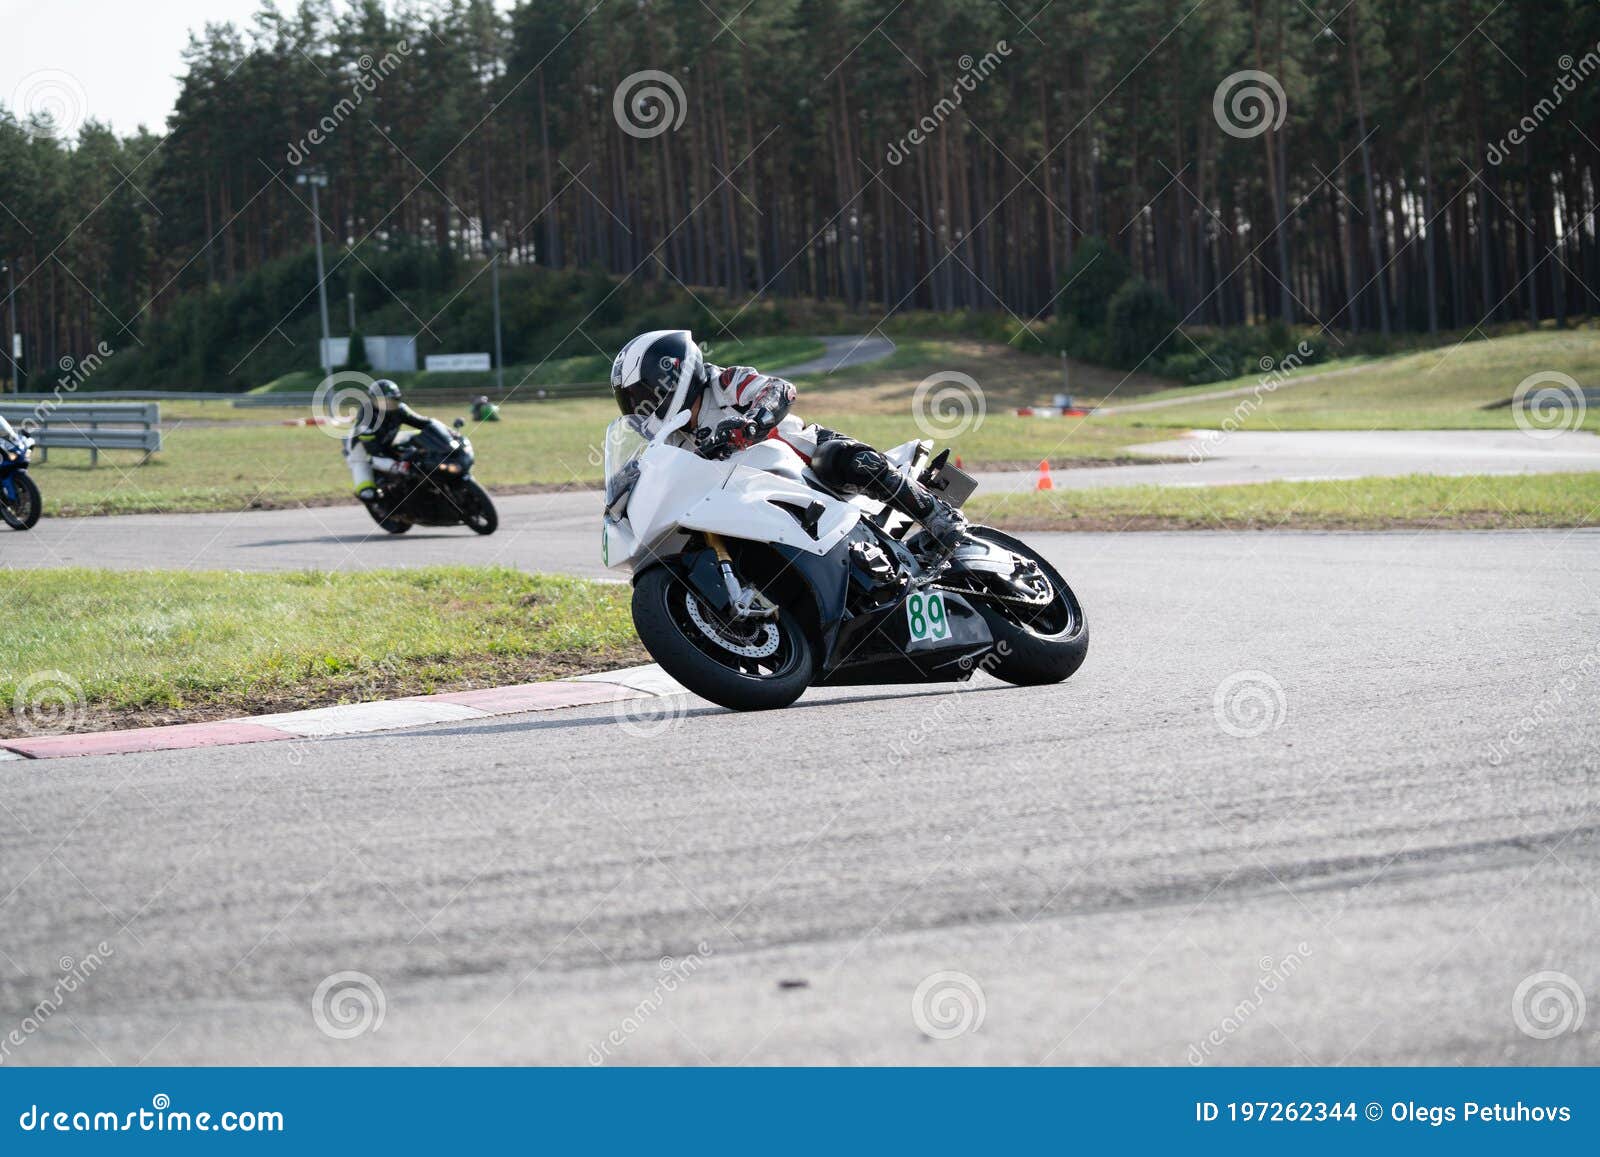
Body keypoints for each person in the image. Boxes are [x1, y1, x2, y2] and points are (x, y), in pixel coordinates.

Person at [609, 329, 966, 549]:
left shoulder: (724, 383)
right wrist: (626, 487)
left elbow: (779, 389)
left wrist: (752, 423)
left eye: (643, 394)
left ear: (670, 375)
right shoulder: (674, 441)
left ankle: (937, 515)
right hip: (757, 500)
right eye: (632, 401)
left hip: (809, 464)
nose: (640, 408)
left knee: (841, 457)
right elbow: (654, 470)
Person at [345, 379, 431, 505]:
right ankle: (376, 496)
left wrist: (446, 432)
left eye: (393, 400)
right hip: (362, 448)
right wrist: (396, 465)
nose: (389, 404)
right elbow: (372, 451)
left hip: (388, 440)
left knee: (421, 440)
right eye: (384, 401)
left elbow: (423, 422)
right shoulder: (367, 416)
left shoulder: (400, 409)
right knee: (367, 492)